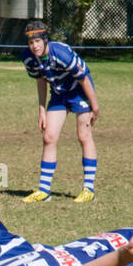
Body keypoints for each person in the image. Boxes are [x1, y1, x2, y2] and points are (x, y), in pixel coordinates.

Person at [21, 19, 99, 204]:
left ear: (45, 40)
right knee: (49, 136)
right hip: (58, 94)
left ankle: (89, 189)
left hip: (80, 92)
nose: (35, 46)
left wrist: (95, 106)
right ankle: (44, 190)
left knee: (83, 135)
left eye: (38, 41)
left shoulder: (61, 53)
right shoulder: (29, 58)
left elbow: (84, 79)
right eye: (31, 43)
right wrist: (41, 109)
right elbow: (40, 81)